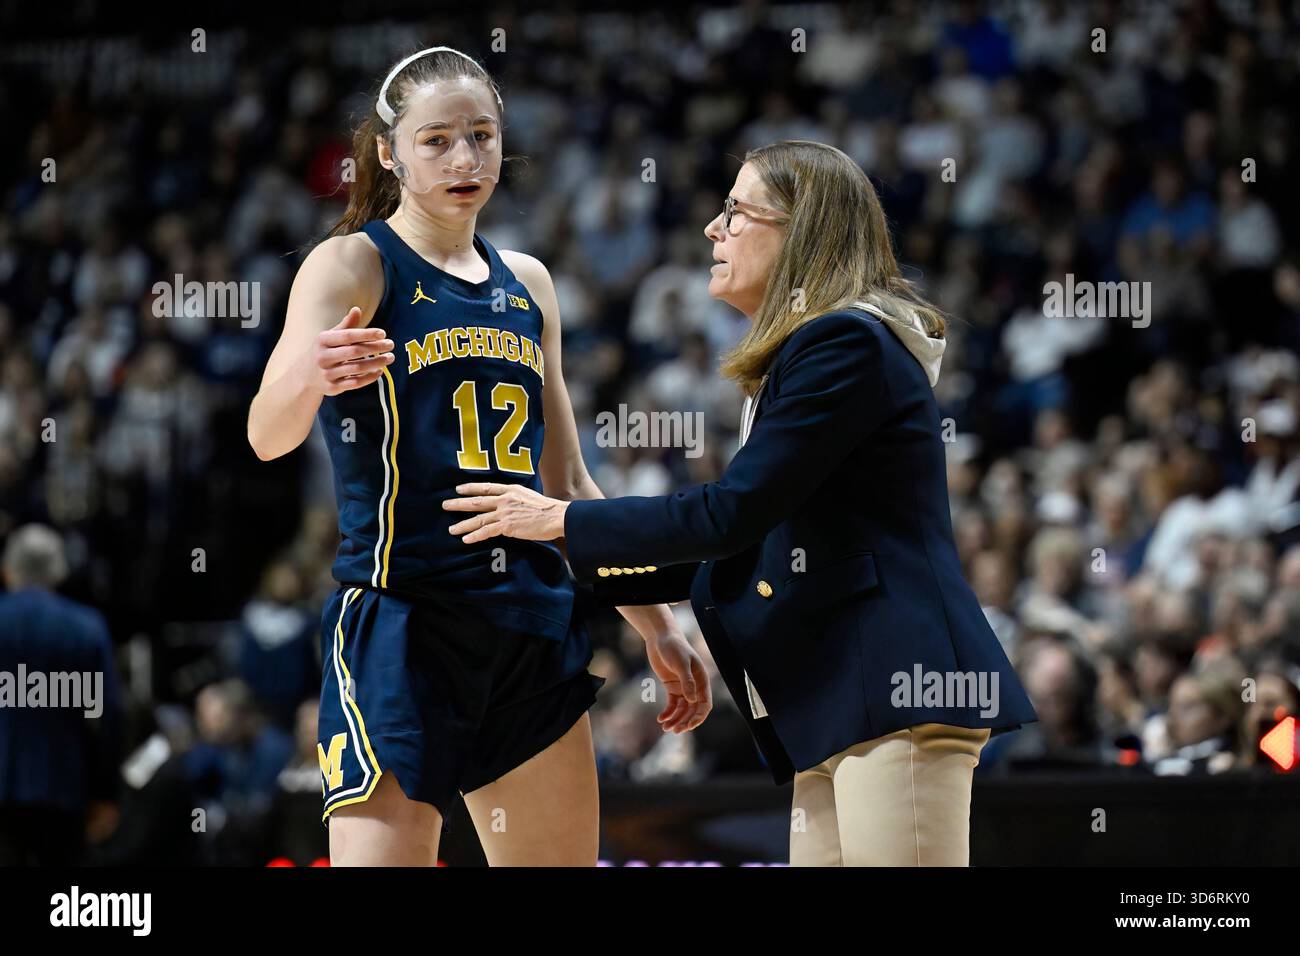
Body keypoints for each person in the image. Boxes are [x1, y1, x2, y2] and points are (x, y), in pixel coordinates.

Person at [446, 141, 1038, 866]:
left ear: (803, 232)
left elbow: (730, 514)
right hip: (841, 700)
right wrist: (587, 576)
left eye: (735, 211)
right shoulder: (812, 350)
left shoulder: (844, 342)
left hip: (895, 689)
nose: (712, 229)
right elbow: (749, 544)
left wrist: (563, 520)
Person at [246, 46, 709, 866]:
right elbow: (267, 434)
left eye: (483, 136)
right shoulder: (352, 261)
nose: (465, 159)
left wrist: (658, 623)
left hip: (528, 626)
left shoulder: (528, 283)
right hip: (404, 623)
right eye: (437, 141)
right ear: (389, 152)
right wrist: (314, 374)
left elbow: (567, 483)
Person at [0, 524, 122, 865]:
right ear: (59, 570)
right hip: (65, 786)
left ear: (8, 569)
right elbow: (108, 714)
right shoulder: (87, 627)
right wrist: (106, 792)